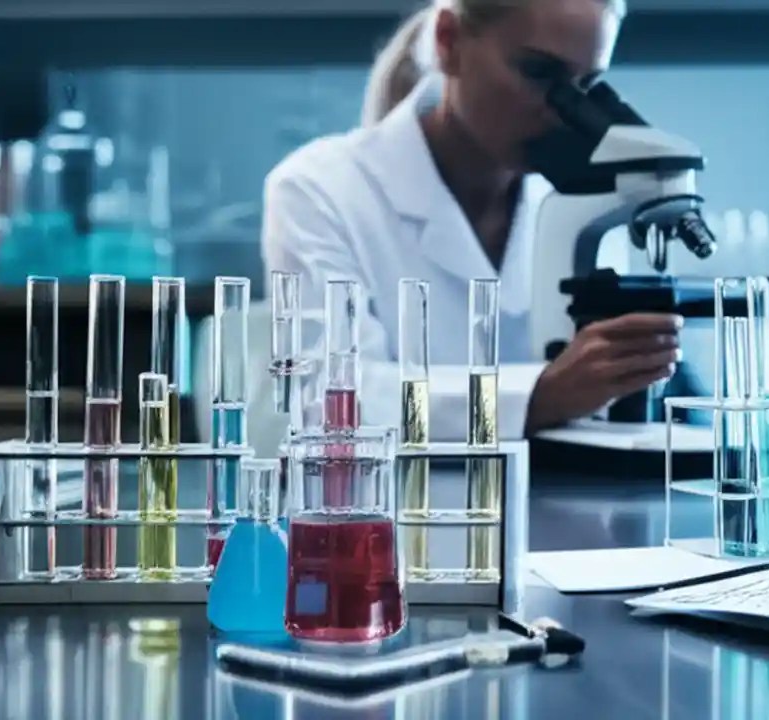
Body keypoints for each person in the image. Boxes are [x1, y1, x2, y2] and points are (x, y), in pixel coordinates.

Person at [261, 0, 683, 439]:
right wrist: (539, 397)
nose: (563, 110)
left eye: (585, 86)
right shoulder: (319, 189)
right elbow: (332, 399)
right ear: (449, 41)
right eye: (538, 72)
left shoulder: (582, 209)